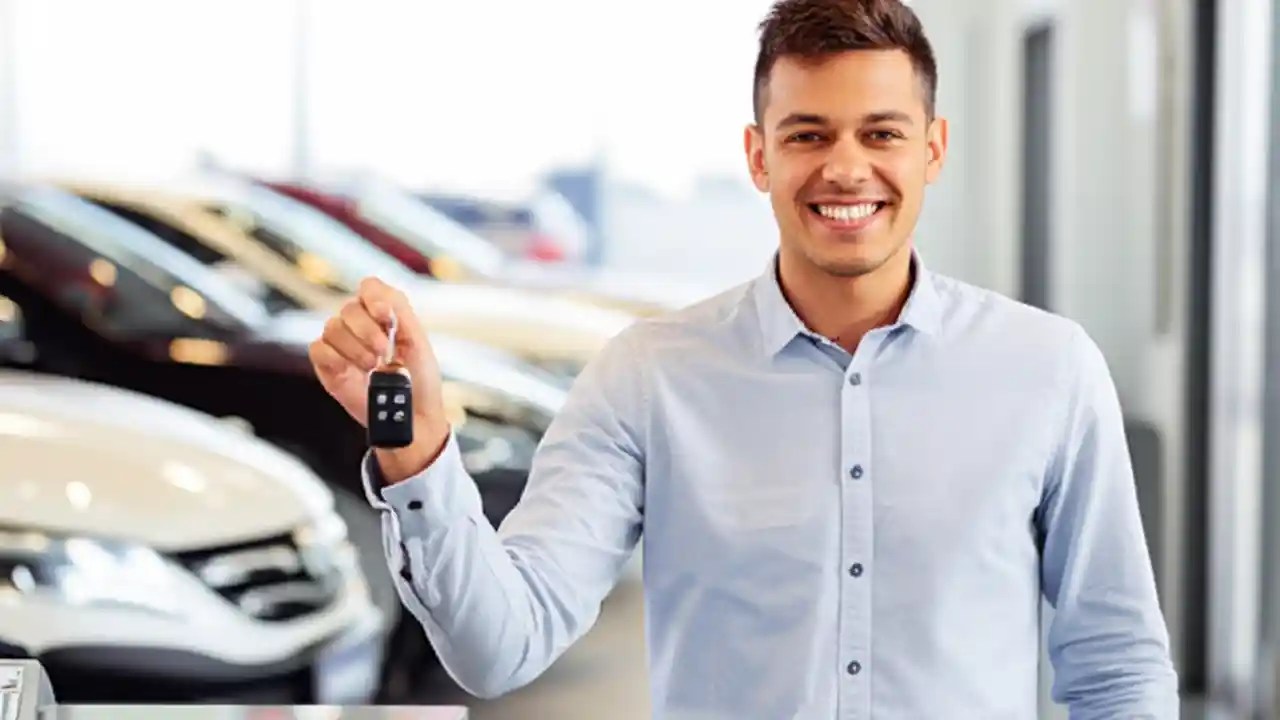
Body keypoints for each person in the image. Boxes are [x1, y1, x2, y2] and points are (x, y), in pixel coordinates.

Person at [308, 0, 1179, 716]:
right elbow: (502, 646)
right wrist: (419, 455)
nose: (846, 168)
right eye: (808, 135)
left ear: (932, 150)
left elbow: (1117, 669)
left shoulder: (1048, 370)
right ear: (759, 155)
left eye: (881, 134)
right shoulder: (648, 379)